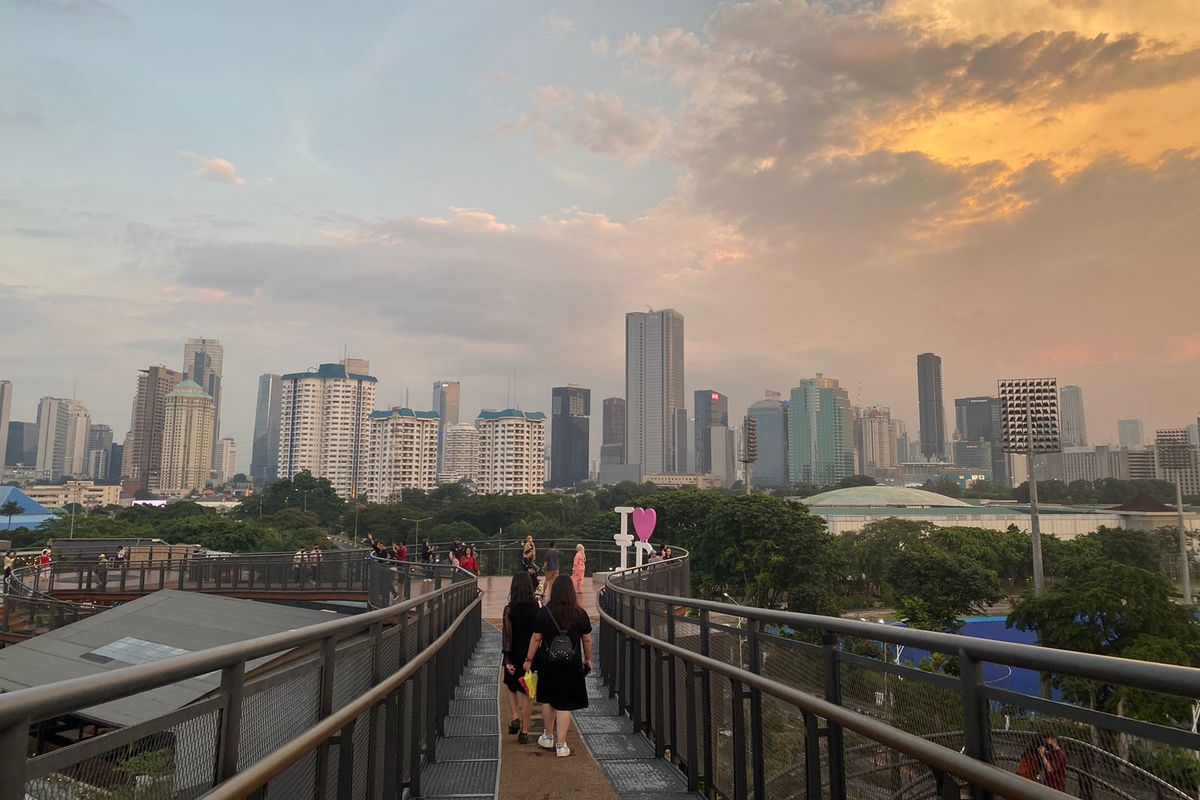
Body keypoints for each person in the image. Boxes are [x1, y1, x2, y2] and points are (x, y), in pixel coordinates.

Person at [524, 575, 593, 758]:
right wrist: (588, 660)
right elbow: (586, 638)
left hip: (548, 662)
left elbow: (536, 638)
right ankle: (561, 745)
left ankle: (547, 736)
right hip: (572, 664)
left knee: (548, 699)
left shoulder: (544, 612)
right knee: (564, 704)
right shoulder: (579, 613)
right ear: (571, 592)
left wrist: (529, 659)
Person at [502, 573, 539, 743]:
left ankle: (515, 716)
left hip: (515, 653)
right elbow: (538, 634)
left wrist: (507, 659)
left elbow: (507, 636)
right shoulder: (536, 608)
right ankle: (524, 731)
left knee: (511, 685)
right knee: (528, 691)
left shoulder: (509, 609)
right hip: (531, 655)